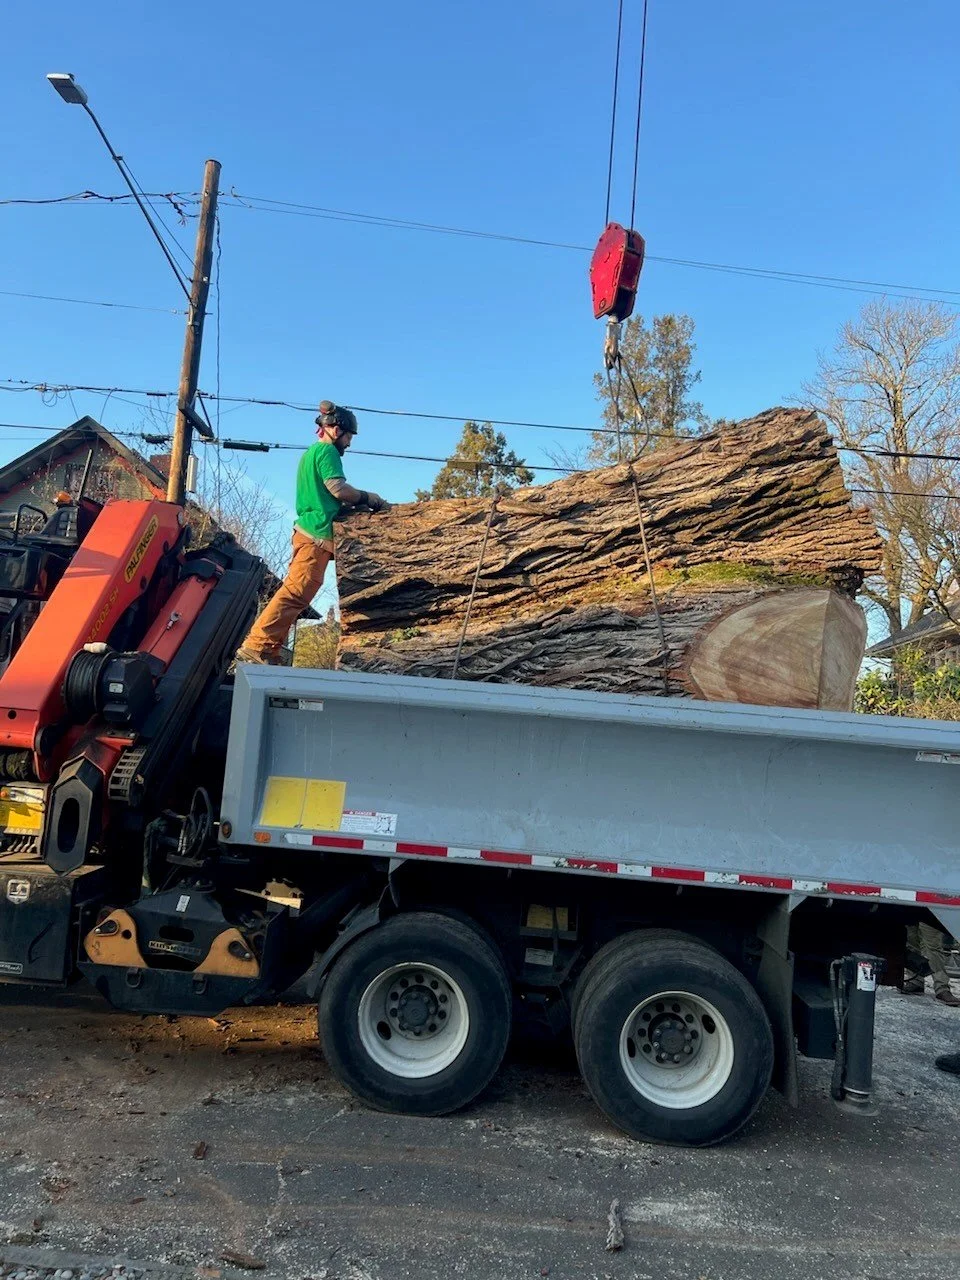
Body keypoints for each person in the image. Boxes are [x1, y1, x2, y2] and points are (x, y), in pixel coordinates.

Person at [235, 401, 390, 664]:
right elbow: (338, 489)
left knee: (299, 595)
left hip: (310, 533)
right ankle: (258, 645)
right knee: (296, 593)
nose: (350, 443)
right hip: (314, 535)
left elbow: (328, 496)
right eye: (349, 436)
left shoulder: (311, 454)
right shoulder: (326, 452)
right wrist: (369, 498)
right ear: (336, 430)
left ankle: (270, 651)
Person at [900, 922, 960, 1007]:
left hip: (930, 911)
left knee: (933, 947)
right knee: (911, 943)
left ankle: (942, 988)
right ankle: (915, 981)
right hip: (912, 910)